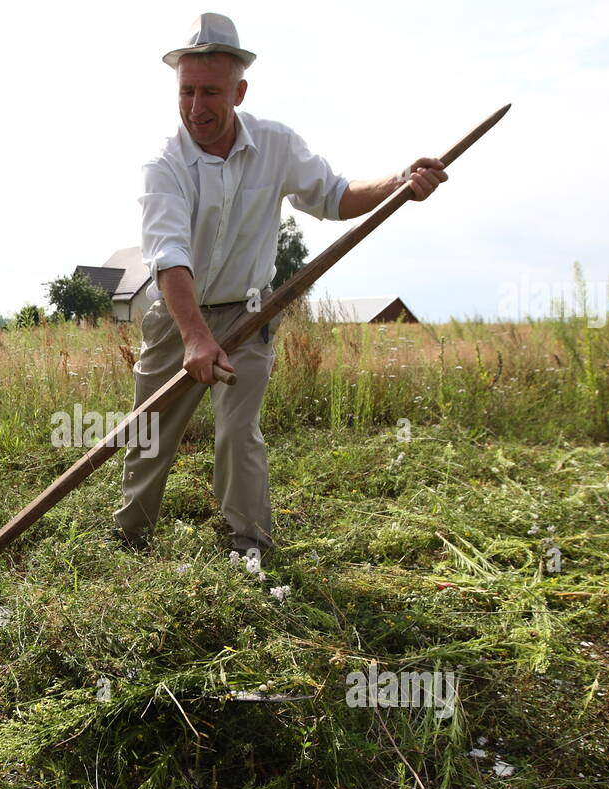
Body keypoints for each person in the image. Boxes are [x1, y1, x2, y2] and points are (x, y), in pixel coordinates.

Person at [112, 12, 447, 557]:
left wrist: (399, 183)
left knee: (239, 433)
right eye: (187, 91)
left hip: (251, 316)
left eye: (211, 92)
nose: (197, 107)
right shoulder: (164, 164)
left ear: (239, 91)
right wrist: (195, 336)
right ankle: (131, 535)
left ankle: (249, 546)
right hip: (180, 316)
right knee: (150, 432)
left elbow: (336, 197)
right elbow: (169, 257)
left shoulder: (276, 144)